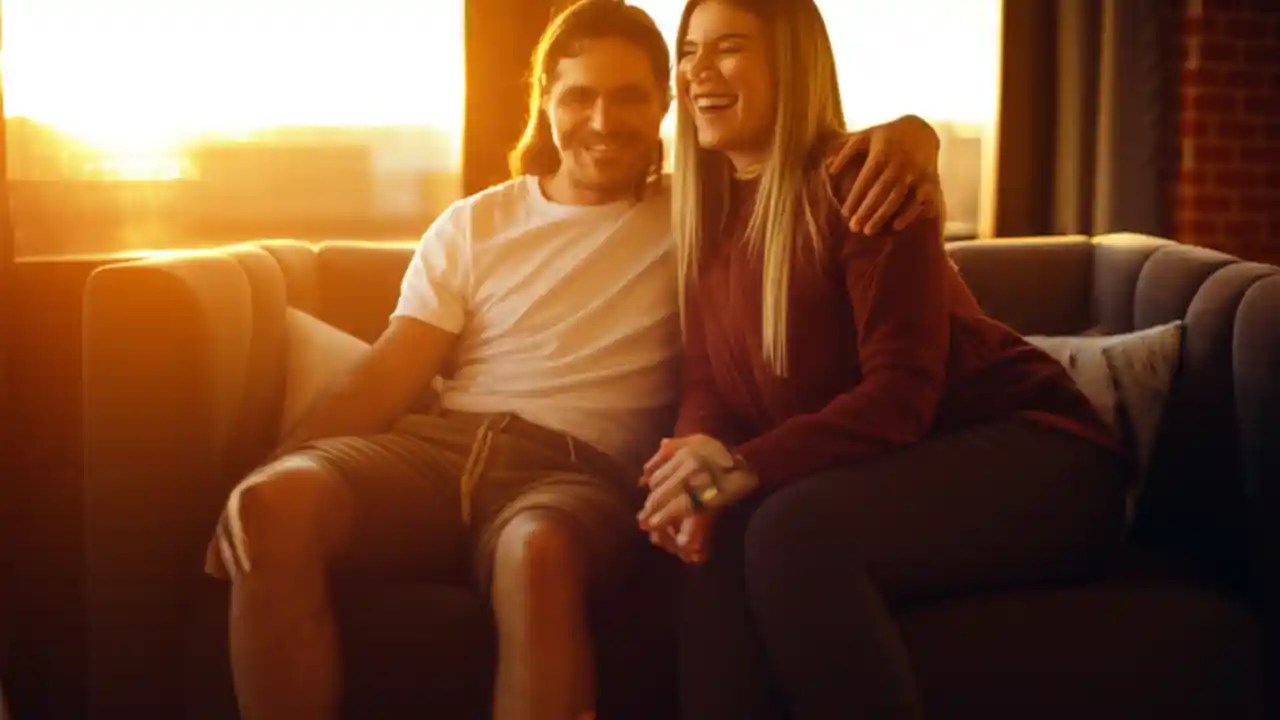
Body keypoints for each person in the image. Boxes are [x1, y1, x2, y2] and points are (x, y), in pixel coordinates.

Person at [201, 1, 942, 719]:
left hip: (573, 473)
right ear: (546, 103)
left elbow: (799, 184)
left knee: (538, 554)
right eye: (580, 96)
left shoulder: (699, 215)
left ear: (665, 105)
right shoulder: (475, 223)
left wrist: (915, 136)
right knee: (271, 506)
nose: (602, 121)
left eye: (629, 98)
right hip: (436, 451)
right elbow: (390, 373)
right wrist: (260, 478)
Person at [636, 1, 1129, 718]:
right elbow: (708, 380)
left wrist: (741, 466)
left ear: (791, 65)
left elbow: (901, 394)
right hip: (913, 458)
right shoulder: (707, 216)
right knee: (708, 532)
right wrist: (694, 468)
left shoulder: (868, 178)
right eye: (689, 50)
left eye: (729, 47)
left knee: (792, 531)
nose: (698, 71)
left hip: (1041, 458)